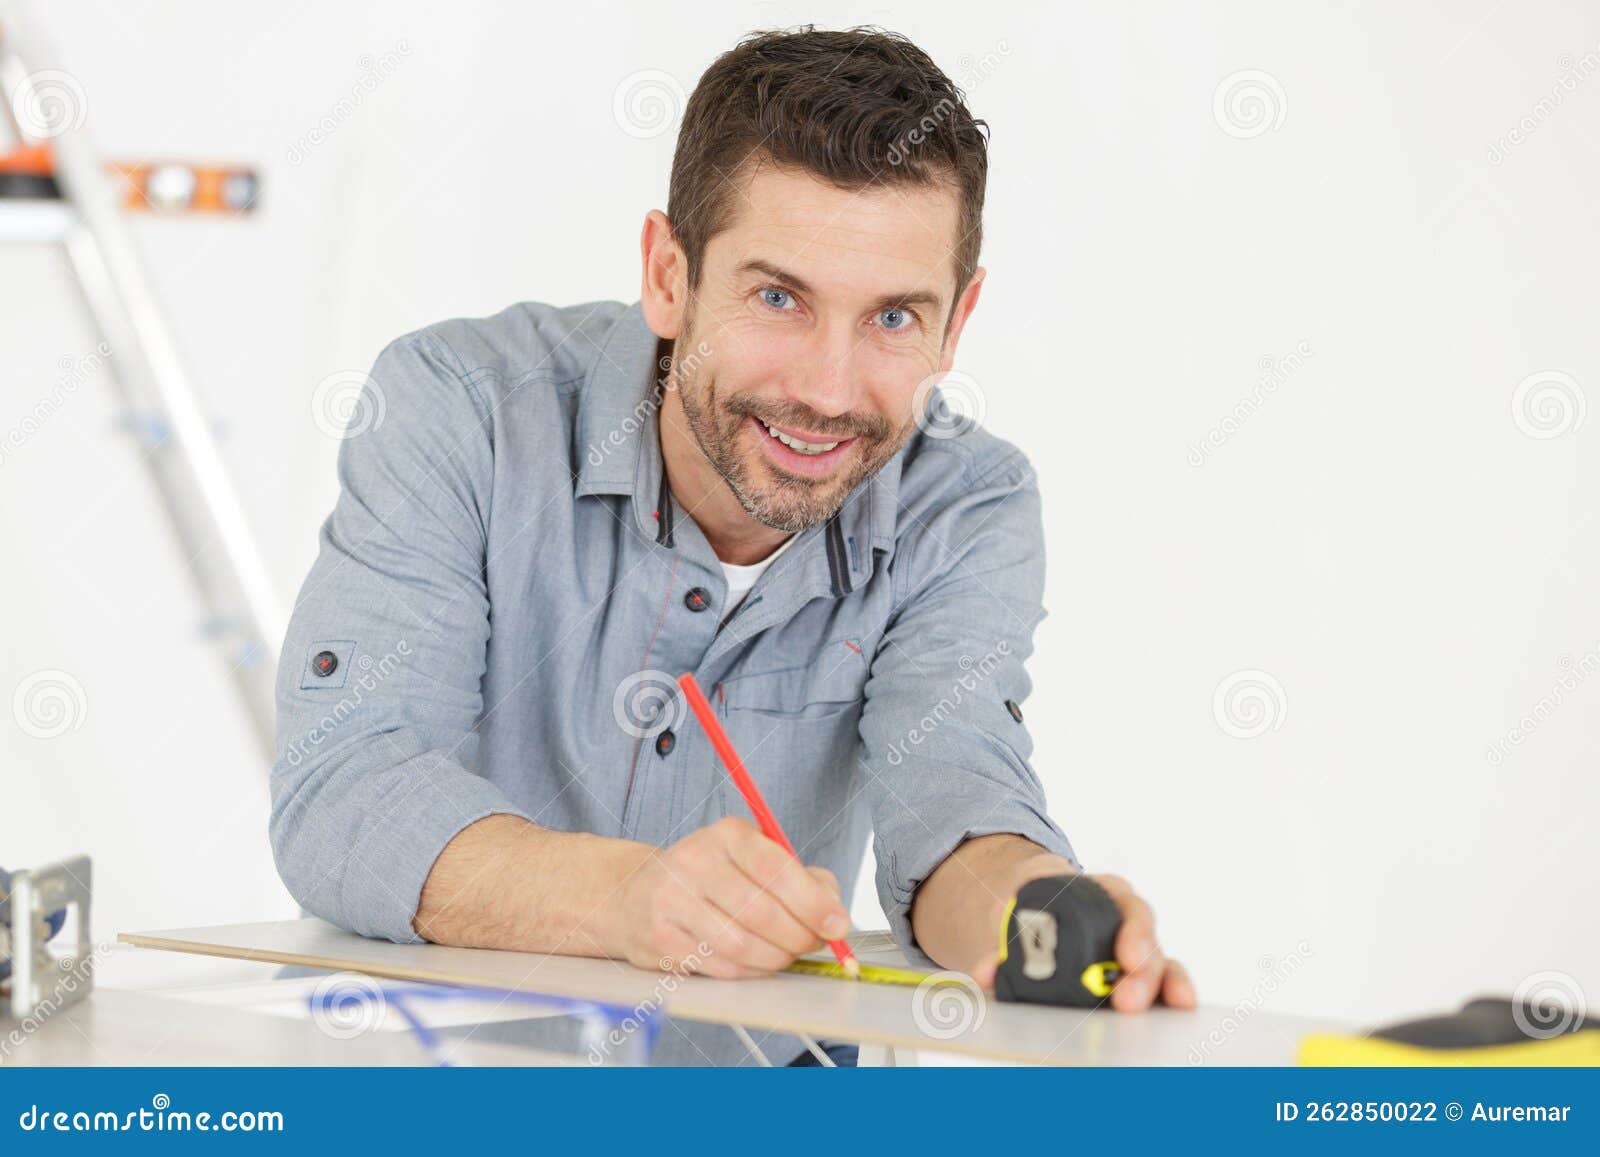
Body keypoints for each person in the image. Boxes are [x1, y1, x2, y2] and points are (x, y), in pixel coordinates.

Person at [269, 25, 1193, 1067]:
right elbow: (342, 791)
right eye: (777, 297)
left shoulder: (966, 503)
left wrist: (1042, 916)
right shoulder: (460, 409)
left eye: (893, 316)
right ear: (668, 275)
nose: (828, 391)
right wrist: (625, 897)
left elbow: (953, 796)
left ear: (956, 322)